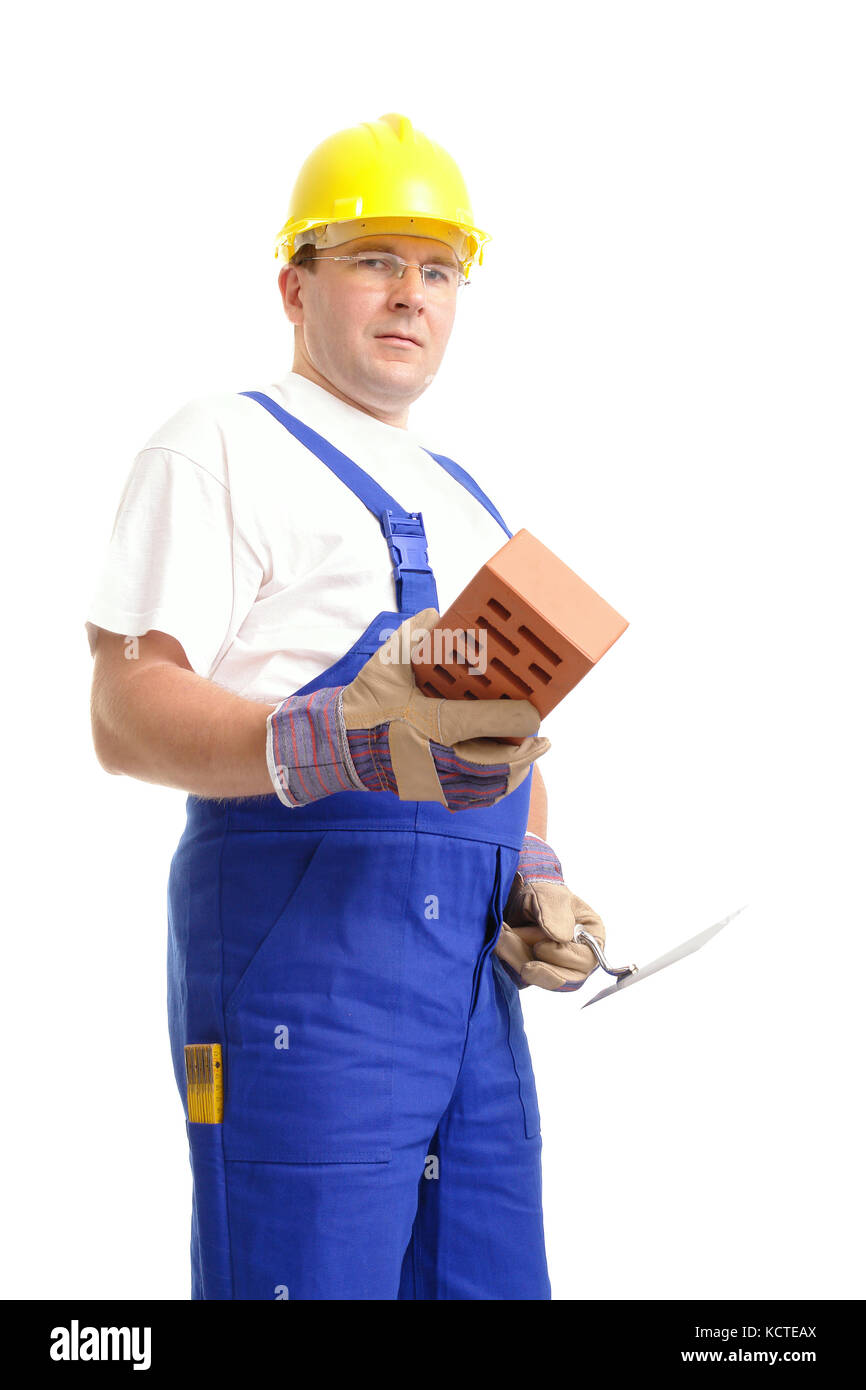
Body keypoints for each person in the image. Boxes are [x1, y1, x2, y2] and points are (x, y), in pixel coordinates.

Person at [86, 111, 607, 1301]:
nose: (408, 295)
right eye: (373, 258)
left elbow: (500, 728)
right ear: (293, 283)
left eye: (437, 269)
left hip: (469, 998)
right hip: (304, 988)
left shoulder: (469, 495)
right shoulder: (216, 444)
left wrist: (536, 870)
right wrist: (326, 736)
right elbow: (122, 710)